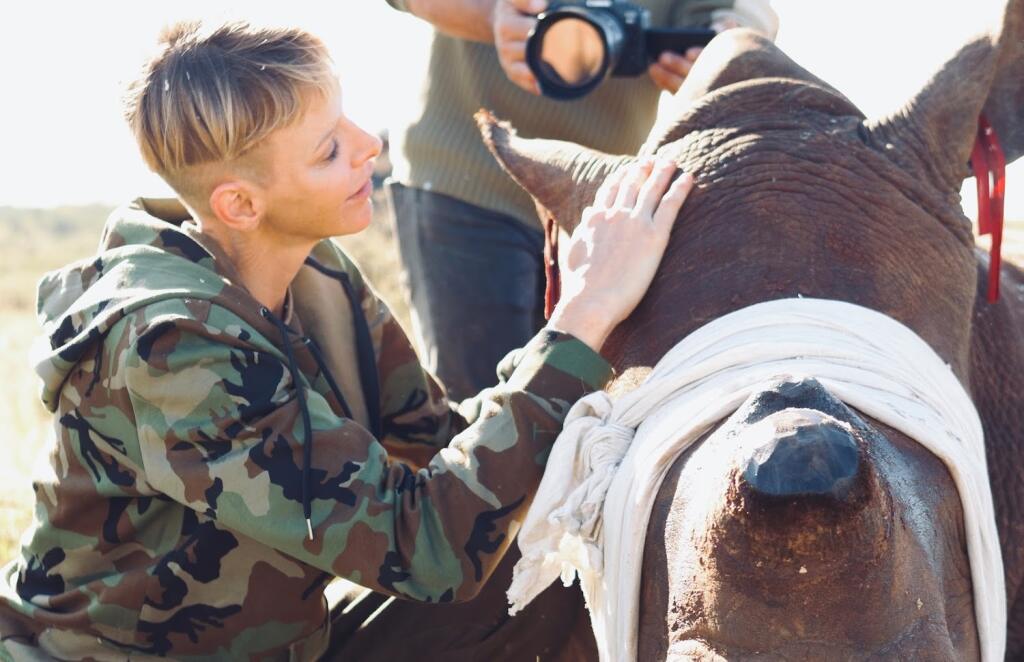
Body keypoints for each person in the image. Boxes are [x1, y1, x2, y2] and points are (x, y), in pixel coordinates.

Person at [0, 21, 693, 660]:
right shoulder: (171, 349)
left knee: (555, 565)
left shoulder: (316, 272)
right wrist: (586, 313)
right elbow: (428, 546)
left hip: (284, 645)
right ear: (240, 204)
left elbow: (443, 447)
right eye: (329, 148)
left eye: (347, 120)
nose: (369, 146)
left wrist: (594, 339)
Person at [383, 0, 777, 400]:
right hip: (467, 179)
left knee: (595, 405)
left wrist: (732, 38)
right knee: (477, 406)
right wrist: (494, 15)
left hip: (604, 203)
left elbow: (746, 13)